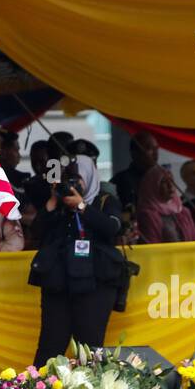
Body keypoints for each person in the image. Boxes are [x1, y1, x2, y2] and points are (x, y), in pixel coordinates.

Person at [28, 154, 125, 366]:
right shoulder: (59, 206)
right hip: (59, 286)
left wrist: (82, 207)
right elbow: (37, 231)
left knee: (89, 350)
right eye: (68, 179)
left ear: (89, 177)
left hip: (95, 287)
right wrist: (53, 202)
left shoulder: (104, 202)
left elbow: (112, 229)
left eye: (77, 179)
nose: (72, 185)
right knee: (49, 348)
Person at [136, 165, 195, 244]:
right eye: (164, 181)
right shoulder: (147, 215)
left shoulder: (184, 212)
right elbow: (152, 249)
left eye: (171, 180)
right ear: (152, 185)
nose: (170, 185)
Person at [111, 131, 159, 208]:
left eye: (156, 148)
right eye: (150, 148)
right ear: (134, 153)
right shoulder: (121, 180)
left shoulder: (161, 180)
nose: (156, 153)